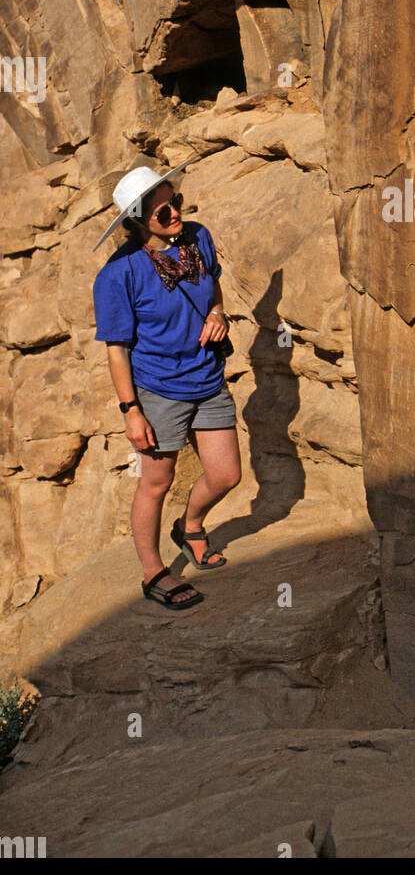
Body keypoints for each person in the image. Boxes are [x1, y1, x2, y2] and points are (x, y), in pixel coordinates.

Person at [91, 162, 241, 610]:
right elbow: (116, 349)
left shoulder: (198, 237)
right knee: (156, 481)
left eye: (174, 202)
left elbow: (213, 289)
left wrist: (217, 315)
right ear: (137, 223)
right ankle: (153, 571)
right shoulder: (118, 275)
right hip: (158, 389)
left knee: (226, 475)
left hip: (207, 377)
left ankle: (190, 526)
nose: (175, 213)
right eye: (162, 212)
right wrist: (129, 411)